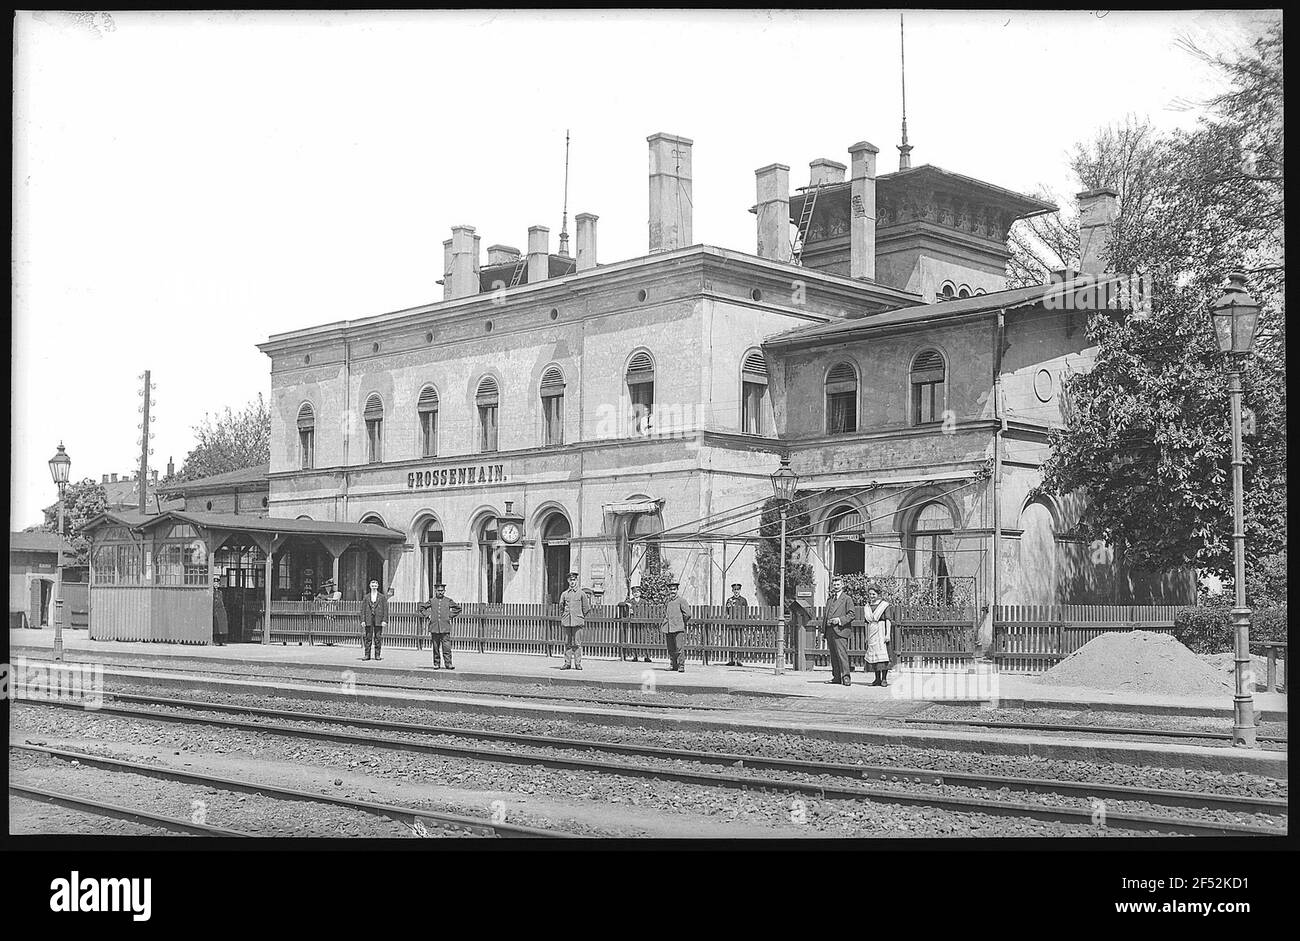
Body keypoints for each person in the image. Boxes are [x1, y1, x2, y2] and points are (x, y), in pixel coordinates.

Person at [419, 583, 461, 669]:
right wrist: (428, 615)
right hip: (434, 627)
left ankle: (448, 664)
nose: (440, 592)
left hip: (445, 627)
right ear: (435, 591)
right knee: (435, 647)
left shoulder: (448, 600)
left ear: (444, 591)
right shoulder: (432, 601)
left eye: (442, 591)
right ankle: (436, 663)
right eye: (438, 591)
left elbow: (458, 608)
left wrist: (449, 615)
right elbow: (422, 608)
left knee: (447, 647)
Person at [823, 576, 856, 686]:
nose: (836, 587)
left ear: (842, 585)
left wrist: (839, 620)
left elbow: (852, 615)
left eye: (838, 584)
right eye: (834, 585)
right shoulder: (830, 599)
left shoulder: (847, 599)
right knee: (833, 655)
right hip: (830, 631)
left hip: (840, 631)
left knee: (842, 655)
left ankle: (846, 677)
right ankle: (836, 677)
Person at [863, 585, 896, 687]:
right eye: (870, 594)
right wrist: (866, 636)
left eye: (874, 594)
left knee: (883, 656)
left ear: (878, 594)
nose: (872, 596)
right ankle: (877, 679)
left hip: (881, 632)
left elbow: (888, 620)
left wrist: (887, 634)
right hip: (871, 632)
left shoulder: (884, 605)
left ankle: (884, 679)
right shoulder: (867, 606)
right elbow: (866, 622)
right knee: (874, 656)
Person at [558, 572, 592, 670]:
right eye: (570, 580)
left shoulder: (581, 593)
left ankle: (578, 663)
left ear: (576, 581)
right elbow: (561, 607)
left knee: (577, 643)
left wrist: (580, 616)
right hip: (567, 621)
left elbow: (586, 608)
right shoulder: (564, 594)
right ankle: (567, 663)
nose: (572, 582)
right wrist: (564, 616)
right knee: (567, 643)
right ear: (568, 581)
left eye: (574, 580)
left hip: (577, 621)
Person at [662, 580, 692, 673]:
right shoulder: (667, 601)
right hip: (668, 628)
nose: (672, 591)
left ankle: (681, 665)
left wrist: (681, 622)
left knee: (679, 648)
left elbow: (688, 614)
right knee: (671, 648)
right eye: (671, 589)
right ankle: (673, 665)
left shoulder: (682, 601)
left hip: (678, 628)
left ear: (677, 590)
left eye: (674, 589)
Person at [360, 578, 388, 661]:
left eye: (375, 586)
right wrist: (363, 620)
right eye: (372, 586)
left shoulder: (382, 597)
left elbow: (385, 609)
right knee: (368, 637)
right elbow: (363, 610)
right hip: (369, 619)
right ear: (370, 586)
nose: (374, 587)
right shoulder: (366, 597)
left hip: (378, 619)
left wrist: (384, 620)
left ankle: (377, 655)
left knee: (378, 637)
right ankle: (367, 655)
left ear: (378, 586)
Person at [724, 582, 749, 666]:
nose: (736, 591)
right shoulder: (729, 600)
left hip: (740, 625)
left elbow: (746, 612)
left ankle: (739, 660)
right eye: (735, 590)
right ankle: (731, 660)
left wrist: (744, 622)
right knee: (731, 641)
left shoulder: (743, 600)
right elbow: (727, 612)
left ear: (740, 590)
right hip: (731, 624)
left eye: (738, 590)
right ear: (732, 590)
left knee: (740, 642)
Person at [212, 575, 228, 647]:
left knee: (222, 626)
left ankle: (222, 640)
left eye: (217, 583)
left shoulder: (220, 592)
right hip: (215, 610)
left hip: (221, 610)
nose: (216, 584)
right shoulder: (212, 591)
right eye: (214, 583)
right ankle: (216, 640)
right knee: (216, 626)